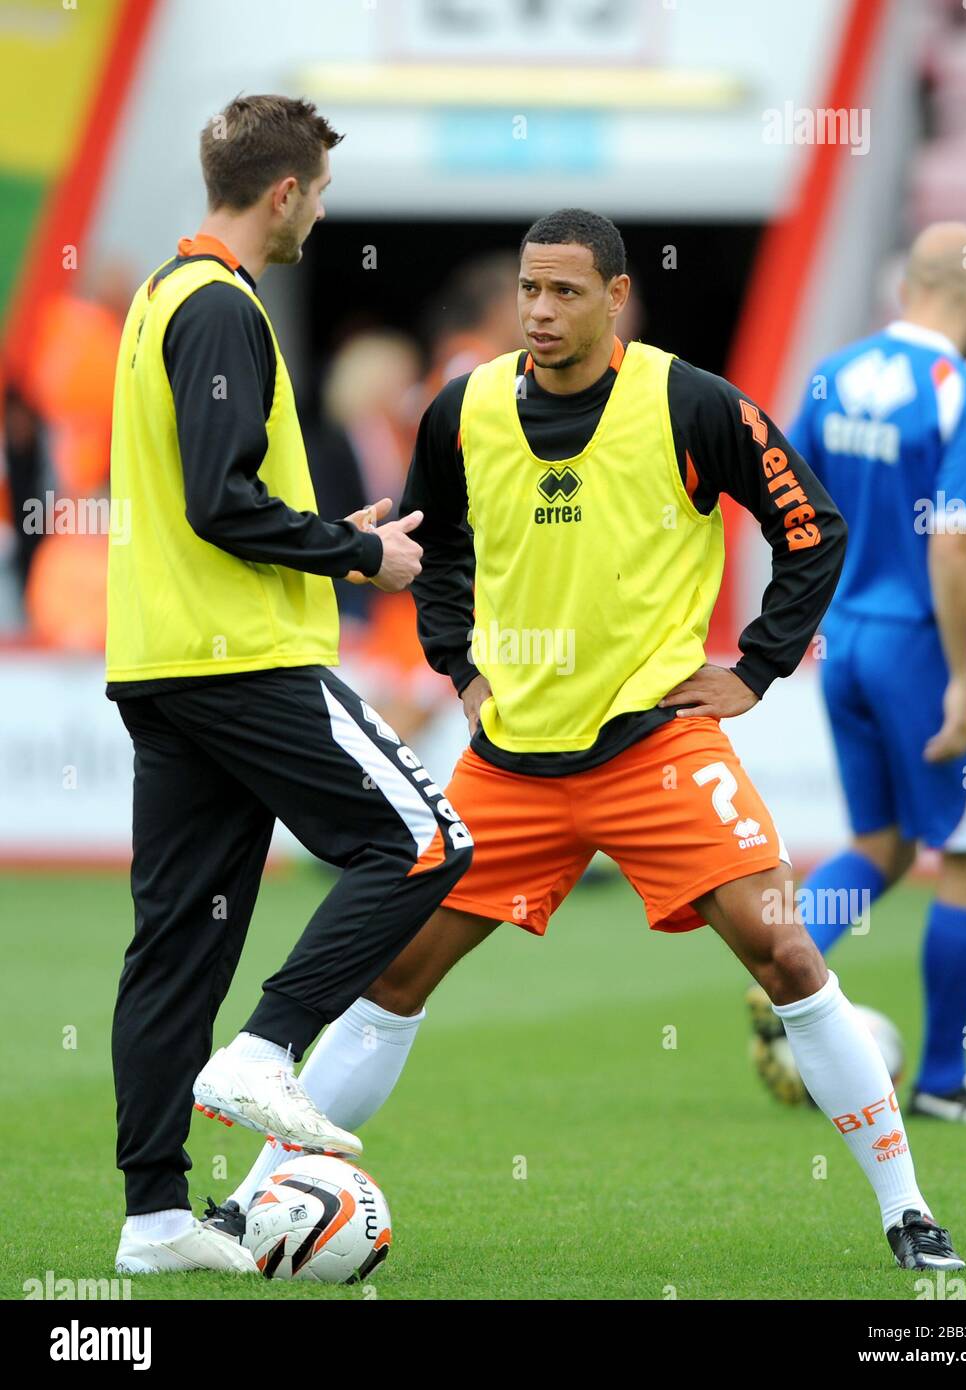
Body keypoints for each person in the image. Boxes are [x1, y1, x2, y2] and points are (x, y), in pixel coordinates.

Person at [215, 209, 965, 1271]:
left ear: (615, 298)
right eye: (528, 288)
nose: (538, 310)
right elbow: (430, 546)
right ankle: (249, 1204)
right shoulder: (464, 408)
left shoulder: (690, 402)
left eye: (564, 291)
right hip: (509, 765)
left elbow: (810, 527)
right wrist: (460, 668)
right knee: (390, 978)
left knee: (788, 950)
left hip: (658, 749)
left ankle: (905, 1209)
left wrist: (754, 665)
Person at [105, 94, 473, 1275]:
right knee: (424, 839)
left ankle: (156, 1219)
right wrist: (365, 554)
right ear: (285, 193)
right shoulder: (222, 305)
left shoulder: (157, 295)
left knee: (175, 942)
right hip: (238, 658)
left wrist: (324, 528)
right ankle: (266, 1049)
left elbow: (202, 498)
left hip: (162, 660)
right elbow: (219, 500)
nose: (320, 212)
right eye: (318, 192)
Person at [782, 222, 966, 1125]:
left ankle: (783, 970)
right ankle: (941, 1077)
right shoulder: (963, 393)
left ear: (906, 289)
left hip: (843, 640)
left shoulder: (832, 374)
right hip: (923, 648)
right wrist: (965, 680)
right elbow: (956, 542)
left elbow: (793, 504)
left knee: (883, 839)